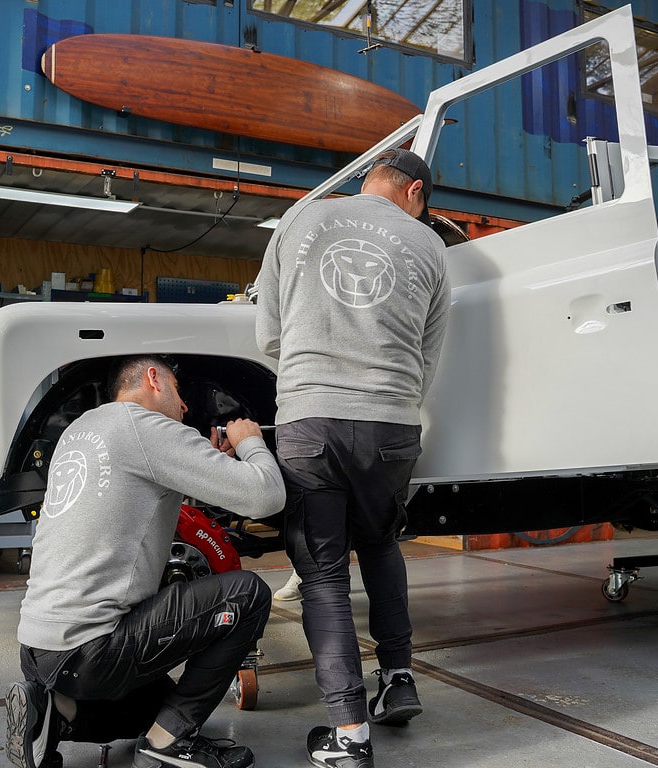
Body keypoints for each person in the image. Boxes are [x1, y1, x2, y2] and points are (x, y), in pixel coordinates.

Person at [255, 148, 451, 768]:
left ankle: (348, 734)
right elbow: (429, 356)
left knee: (323, 578)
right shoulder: (430, 248)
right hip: (392, 422)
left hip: (312, 419)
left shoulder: (301, 217)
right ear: (415, 191)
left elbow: (268, 332)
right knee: (382, 544)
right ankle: (398, 679)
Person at [5, 355, 286, 768]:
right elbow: (266, 497)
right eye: (177, 390)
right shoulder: (151, 428)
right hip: (92, 649)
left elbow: (136, 500)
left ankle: (57, 712)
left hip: (39, 649)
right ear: (154, 379)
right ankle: (167, 746)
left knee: (155, 708)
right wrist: (250, 442)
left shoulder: (81, 430)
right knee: (248, 594)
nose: (186, 407)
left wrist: (209, 464)